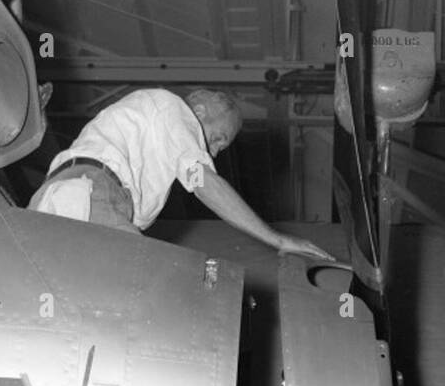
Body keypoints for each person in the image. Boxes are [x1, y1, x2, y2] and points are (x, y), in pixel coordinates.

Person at [29, 86, 332, 258]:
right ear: (199, 112)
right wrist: (277, 240)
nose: (213, 152)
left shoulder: (150, 140)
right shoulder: (173, 108)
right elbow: (203, 181)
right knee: (154, 289)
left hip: (63, 200)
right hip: (92, 195)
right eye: (217, 138)